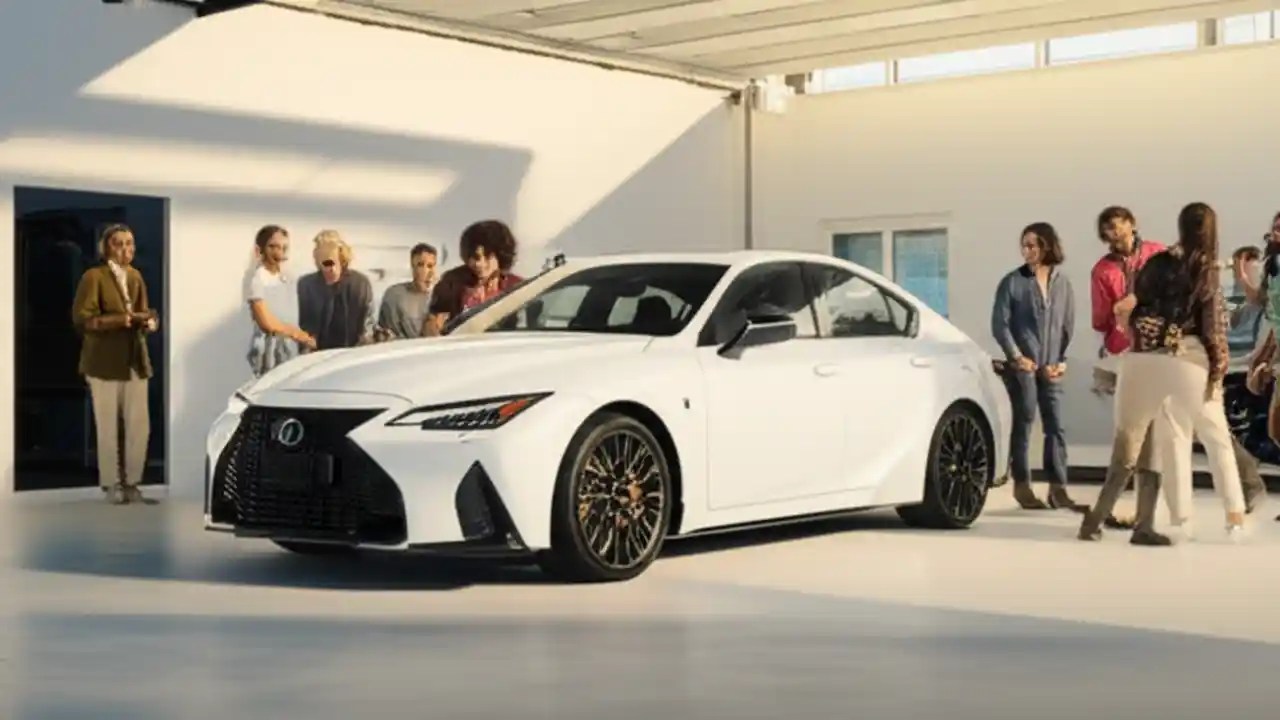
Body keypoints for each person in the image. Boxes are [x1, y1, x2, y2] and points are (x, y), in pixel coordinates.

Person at [1079, 202, 1247, 544]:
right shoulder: (1205, 270)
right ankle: (1153, 525)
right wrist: (1218, 371)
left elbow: (1122, 310)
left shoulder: (1155, 261)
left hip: (1139, 359)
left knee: (1129, 446)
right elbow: (1213, 330)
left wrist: (1134, 333)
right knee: (1193, 440)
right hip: (1184, 358)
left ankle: (1095, 521)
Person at [991, 222, 1085, 511]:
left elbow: (1067, 326)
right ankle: (1022, 487)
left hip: (1052, 367)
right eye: (1024, 244)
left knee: (1056, 427)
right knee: (1025, 423)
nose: (1027, 250)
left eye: (1032, 245)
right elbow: (1000, 324)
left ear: (1047, 246)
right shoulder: (1012, 282)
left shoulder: (1063, 283)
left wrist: (1061, 361)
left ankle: (1058, 489)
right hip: (1023, 368)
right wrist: (1017, 357)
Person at [1088, 206, 1167, 531]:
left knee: (1151, 440)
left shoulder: (1157, 254)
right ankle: (1098, 518)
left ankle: (1140, 520)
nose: (1114, 237)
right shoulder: (1101, 271)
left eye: (1119, 229)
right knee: (1130, 439)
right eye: (1108, 233)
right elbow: (1099, 320)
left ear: (1132, 225)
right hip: (1126, 358)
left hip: (1159, 353)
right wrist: (1121, 312)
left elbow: (1174, 295)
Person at [71, 223, 159, 505]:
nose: (125, 249)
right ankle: (111, 484)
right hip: (103, 362)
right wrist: (122, 320)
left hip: (134, 360)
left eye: (130, 243)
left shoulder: (135, 276)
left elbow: (143, 313)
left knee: (139, 425)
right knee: (107, 426)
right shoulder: (93, 277)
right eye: (118, 243)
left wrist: (149, 322)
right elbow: (83, 319)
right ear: (105, 247)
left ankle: (132, 482)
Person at [424, 220, 523, 336]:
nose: (480, 263)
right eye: (474, 257)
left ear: (501, 255)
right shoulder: (451, 282)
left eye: (487, 257)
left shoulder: (516, 286)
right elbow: (431, 325)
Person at [245, 224, 315, 376]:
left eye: (283, 248)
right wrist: (299, 335)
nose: (279, 252)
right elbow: (266, 322)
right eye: (273, 247)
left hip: (290, 349)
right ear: (260, 250)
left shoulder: (288, 278)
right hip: (268, 352)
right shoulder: (257, 280)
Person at [297, 230, 378, 350]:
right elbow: (303, 324)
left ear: (342, 258)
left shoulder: (360, 284)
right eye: (324, 264)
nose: (330, 269)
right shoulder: (307, 285)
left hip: (352, 352)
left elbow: (368, 322)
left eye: (333, 262)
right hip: (317, 355)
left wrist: (365, 342)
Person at [378, 243, 439, 340]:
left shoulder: (442, 297)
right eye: (421, 265)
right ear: (412, 267)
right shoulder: (395, 296)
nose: (428, 272)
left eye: (431, 266)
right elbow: (388, 336)